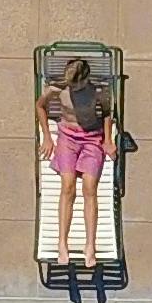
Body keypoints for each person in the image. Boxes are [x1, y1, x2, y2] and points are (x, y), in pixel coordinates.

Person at [41, 56, 114, 277]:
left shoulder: (98, 92)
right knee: (68, 186)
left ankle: (89, 245)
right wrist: (47, 136)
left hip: (92, 137)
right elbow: (39, 106)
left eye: (76, 85)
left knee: (90, 188)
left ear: (85, 80)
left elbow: (108, 113)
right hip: (67, 138)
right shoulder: (57, 89)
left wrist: (108, 140)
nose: (72, 88)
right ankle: (62, 243)